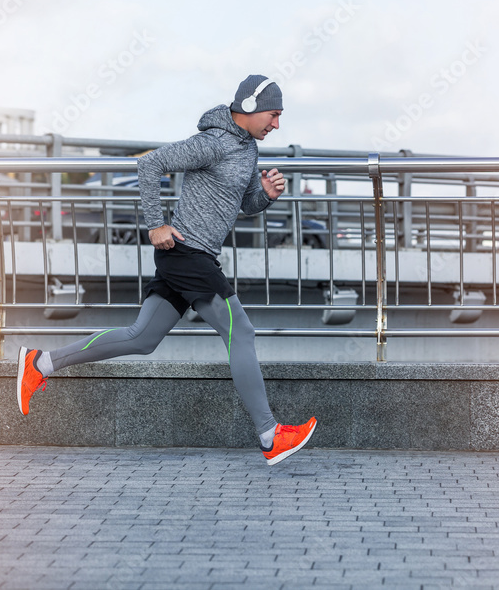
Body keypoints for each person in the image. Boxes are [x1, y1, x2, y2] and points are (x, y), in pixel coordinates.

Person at [16, 75, 316, 466]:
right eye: (273, 115)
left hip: (192, 256)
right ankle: (269, 435)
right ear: (248, 107)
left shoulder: (248, 149)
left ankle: (40, 363)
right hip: (186, 254)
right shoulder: (212, 142)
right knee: (240, 331)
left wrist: (267, 196)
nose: (276, 124)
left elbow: (245, 204)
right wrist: (156, 225)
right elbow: (150, 163)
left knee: (142, 337)